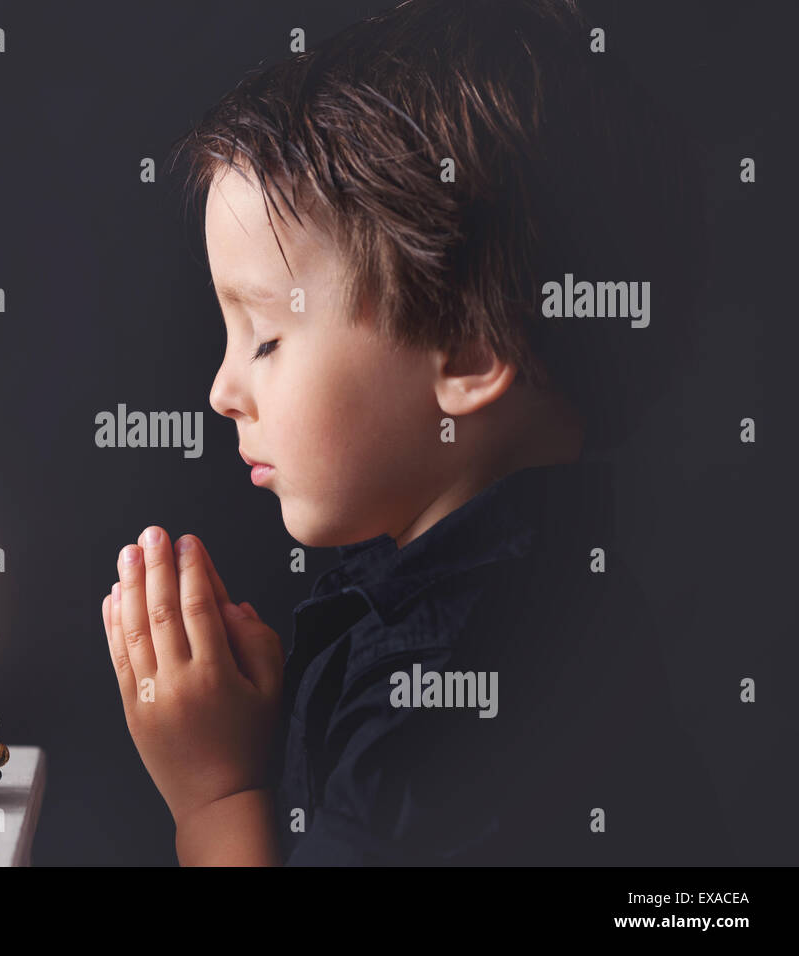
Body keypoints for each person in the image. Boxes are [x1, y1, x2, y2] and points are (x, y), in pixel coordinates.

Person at [100, 0, 730, 865]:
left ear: (469, 352)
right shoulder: (556, 588)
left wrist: (216, 793)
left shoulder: (430, 718)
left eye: (268, 336)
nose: (220, 391)